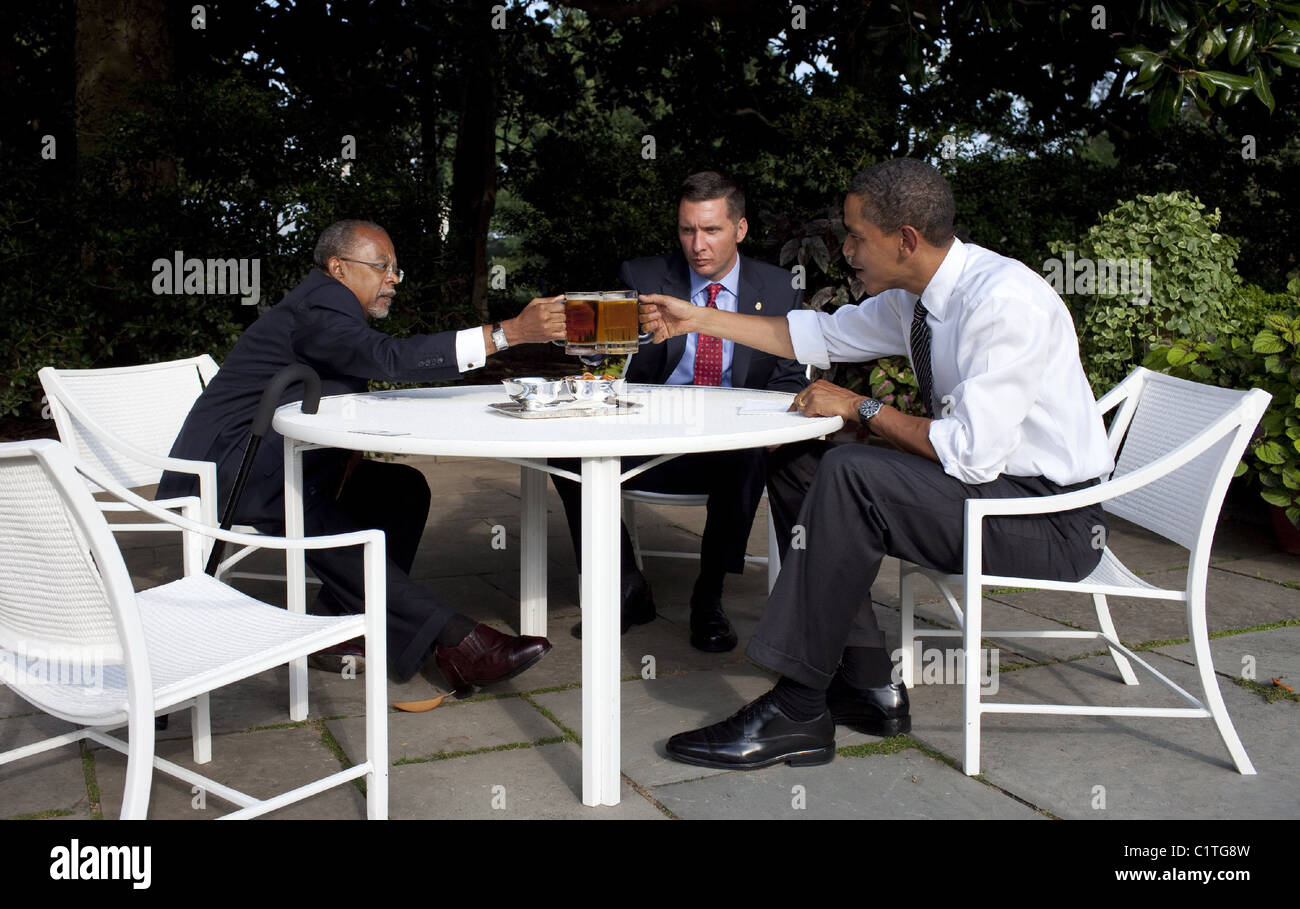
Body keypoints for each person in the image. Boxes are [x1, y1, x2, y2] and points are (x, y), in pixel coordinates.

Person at [639, 159, 1114, 769]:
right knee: (802, 461)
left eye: (857, 236)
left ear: (905, 240)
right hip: (996, 492)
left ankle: (798, 706)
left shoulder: (1002, 301)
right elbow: (817, 337)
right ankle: (867, 684)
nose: (847, 250)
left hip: (1049, 521)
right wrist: (697, 317)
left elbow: (969, 452)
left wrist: (861, 407)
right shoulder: (918, 297)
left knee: (850, 473)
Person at [158, 219, 566, 694]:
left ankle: (341, 623)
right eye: (381, 267)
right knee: (316, 513)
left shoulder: (329, 309)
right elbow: (387, 358)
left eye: (396, 269)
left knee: (400, 488)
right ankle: (457, 642)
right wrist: (508, 333)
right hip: (233, 474)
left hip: (275, 458)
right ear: (338, 268)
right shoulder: (322, 302)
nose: (393, 278)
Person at [552, 171, 807, 652]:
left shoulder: (777, 290)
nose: (697, 244)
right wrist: (585, 339)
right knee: (565, 454)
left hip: (731, 444)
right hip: (652, 434)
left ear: (740, 229)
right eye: (687, 229)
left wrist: (765, 428)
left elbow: (791, 380)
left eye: (711, 230)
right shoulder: (644, 278)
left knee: (749, 453)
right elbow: (610, 358)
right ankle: (626, 585)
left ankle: (708, 596)